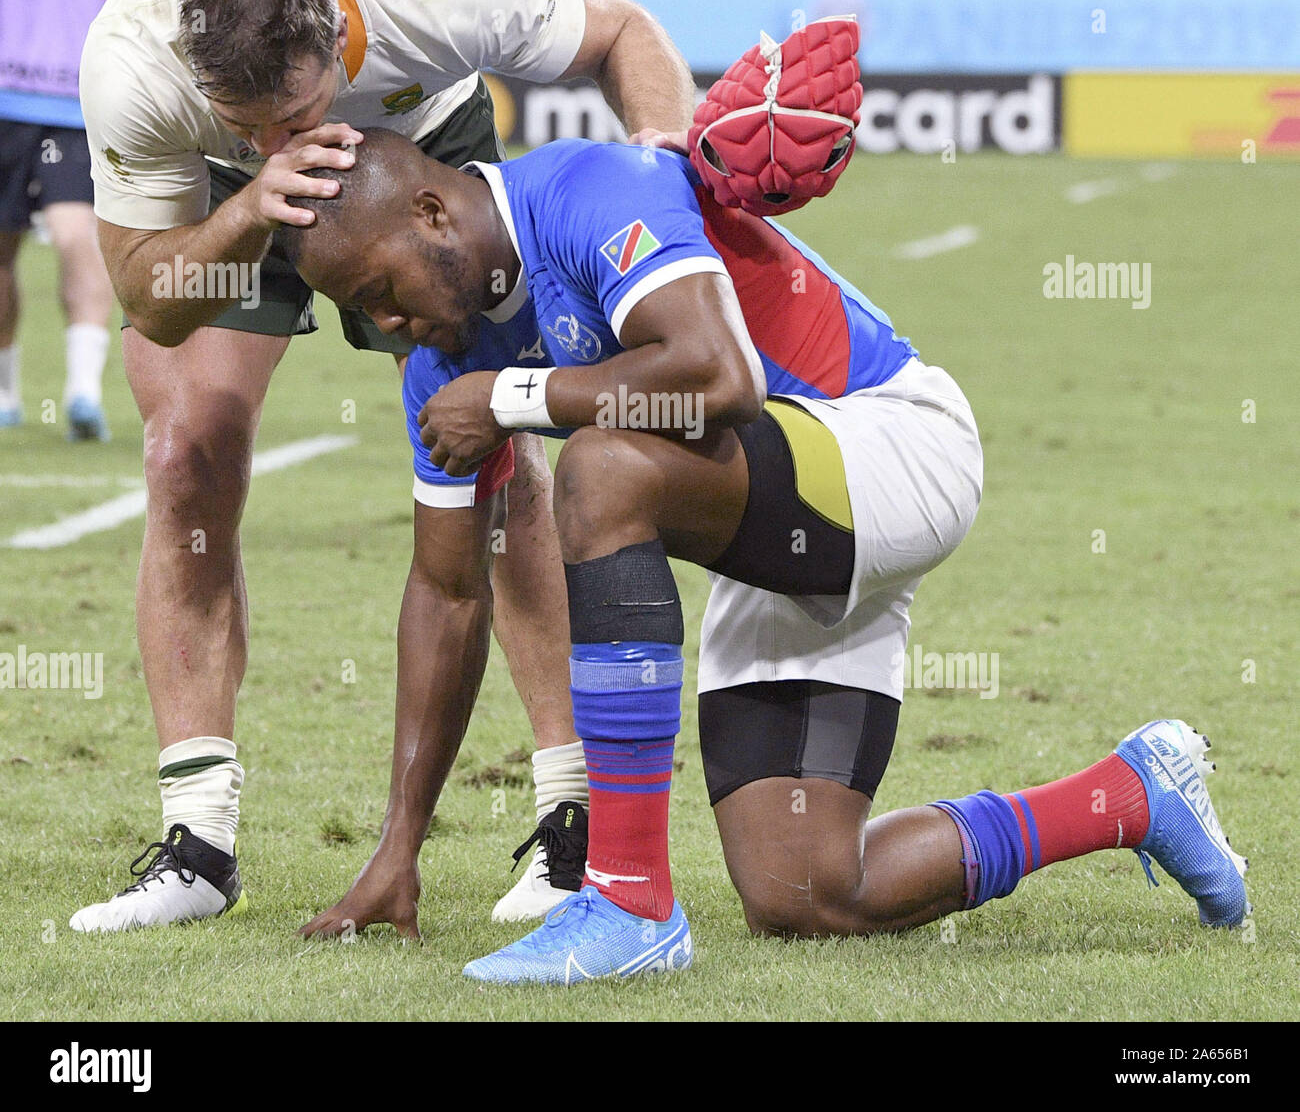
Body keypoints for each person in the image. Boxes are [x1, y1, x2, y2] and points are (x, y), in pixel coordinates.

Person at [286, 128, 1251, 981]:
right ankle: (1130, 793)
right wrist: (396, 848)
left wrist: (512, 398)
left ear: (431, 211)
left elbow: (719, 374)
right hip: (776, 519)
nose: (389, 329)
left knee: (600, 470)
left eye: (381, 293)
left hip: (892, 438)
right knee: (808, 892)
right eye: (360, 318)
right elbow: (447, 591)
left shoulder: (587, 187)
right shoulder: (444, 367)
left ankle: (627, 900)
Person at [70, 0, 697, 933]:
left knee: (497, 447)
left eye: (298, 115)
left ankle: (570, 814)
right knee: (187, 452)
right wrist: (246, 198)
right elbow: (147, 301)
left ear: (339, 39)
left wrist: (665, 179)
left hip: (422, 143)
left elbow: (623, 32)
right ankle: (199, 840)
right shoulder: (135, 59)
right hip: (225, 204)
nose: (282, 137)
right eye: (249, 120)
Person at [0, 0, 171, 438]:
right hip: (79, 99)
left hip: (6, 98)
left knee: (2, 250)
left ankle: (8, 393)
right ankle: (81, 389)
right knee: (80, 239)